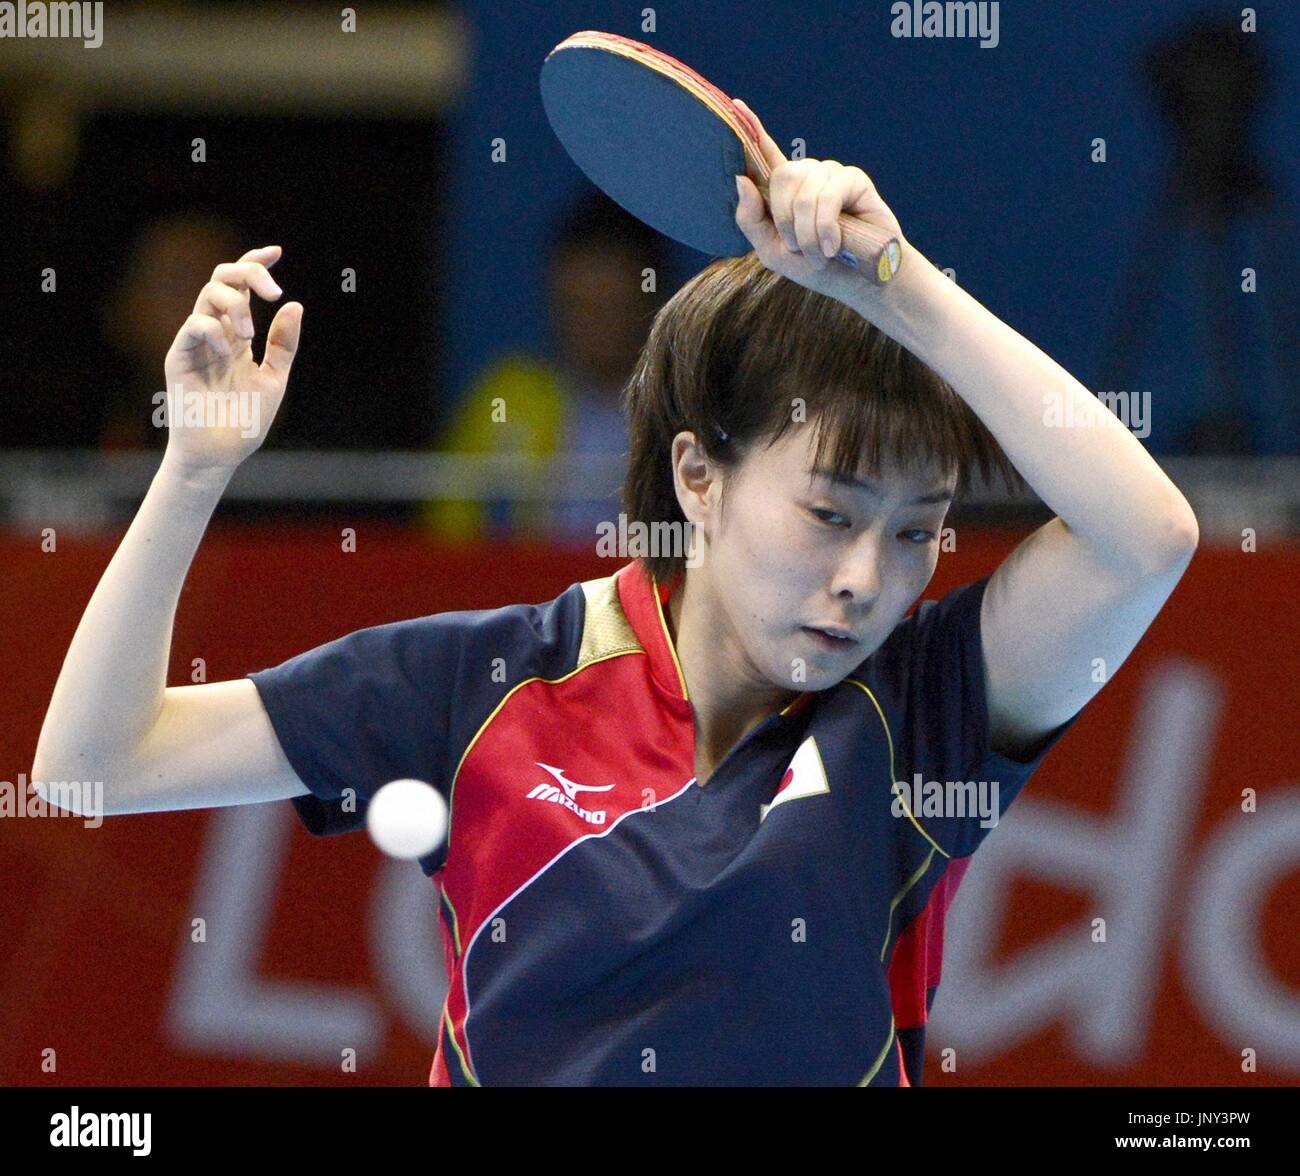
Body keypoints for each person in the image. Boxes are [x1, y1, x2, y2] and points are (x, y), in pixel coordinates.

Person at [31, 103, 1199, 1087]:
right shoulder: (481, 683)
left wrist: (890, 282)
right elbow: (93, 765)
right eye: (830, 516)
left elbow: (1145, 535)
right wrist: (192, 472)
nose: (866, 580)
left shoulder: (925, 705)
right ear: (698, 476)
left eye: (916, 536)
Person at [421, 193, 672, 540]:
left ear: (653, 302)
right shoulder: (507, 398)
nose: (593, 327)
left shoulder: (687, 411)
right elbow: (446, 532)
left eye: (610, 308)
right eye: (578, 307)